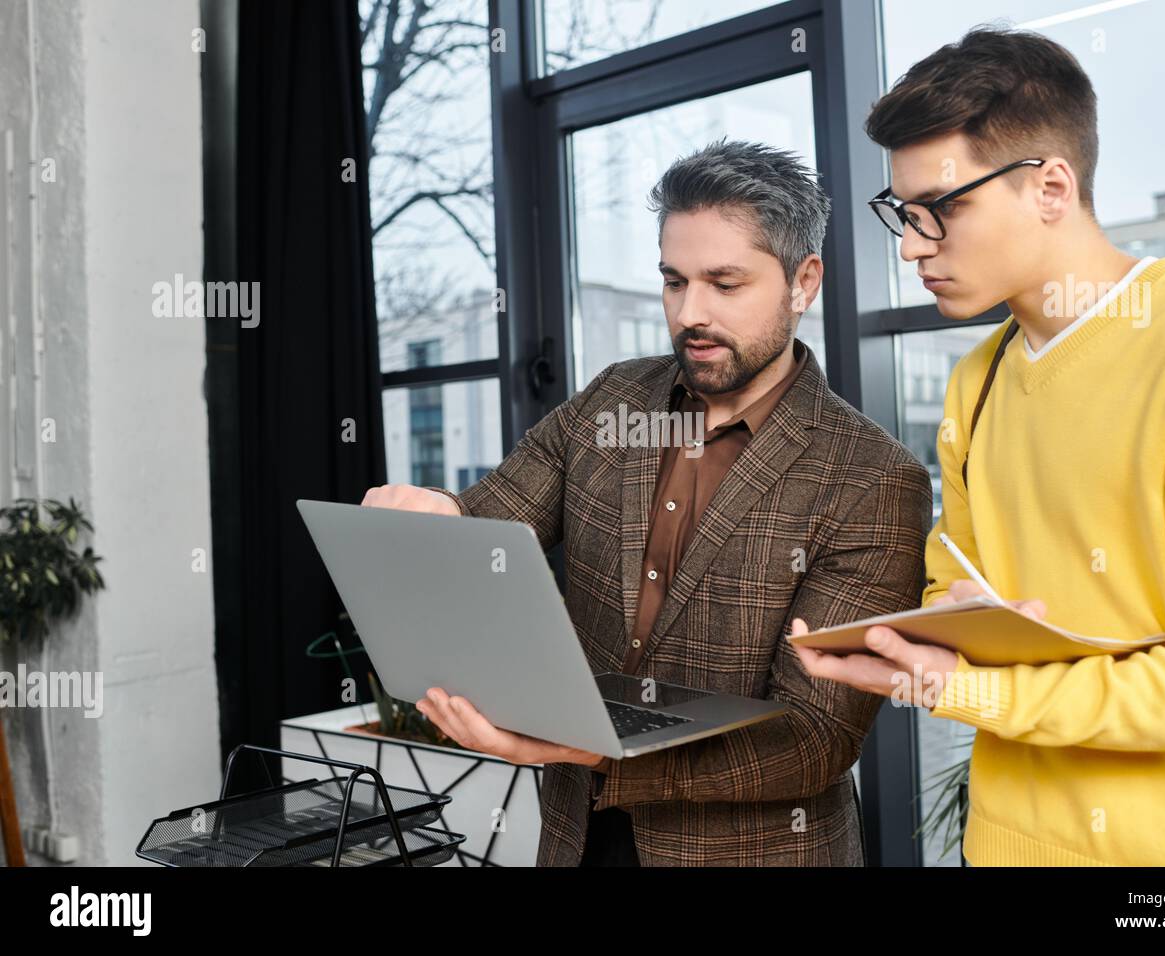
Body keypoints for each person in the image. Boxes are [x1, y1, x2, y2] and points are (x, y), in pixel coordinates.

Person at [795, 26, 1165, 866]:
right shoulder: (976, 380)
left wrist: (976, 684)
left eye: (944, 210)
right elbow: (959, 585)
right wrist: (942, 626)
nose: (914, 245)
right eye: (902, 214)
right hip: (1002, 845)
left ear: (1052, 187)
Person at [364, 140, 932, 865]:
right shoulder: (612, 399)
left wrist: (598, 751)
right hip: (578, 836)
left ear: (804, 281)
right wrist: (437, 521)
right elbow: (489, 522)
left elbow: (813, 741)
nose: (690, 312)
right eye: (673, 280)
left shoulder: (871, 478)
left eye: (724, 284)